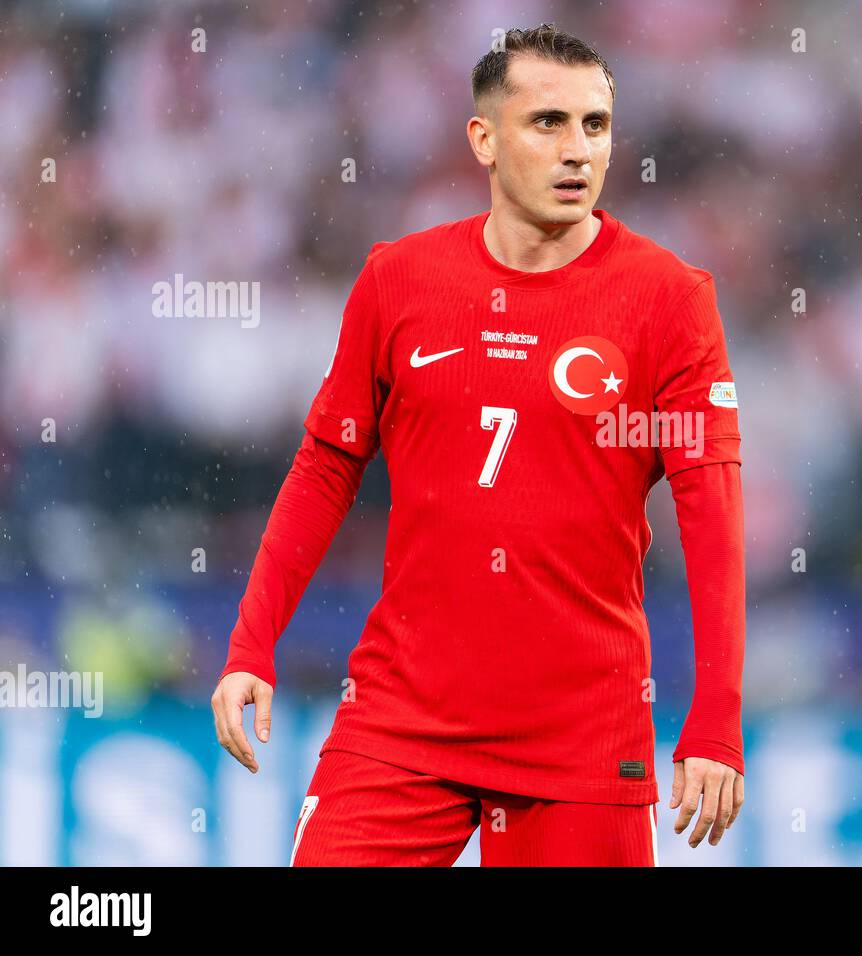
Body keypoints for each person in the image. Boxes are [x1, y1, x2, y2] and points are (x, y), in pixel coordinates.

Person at [210, 23, 747, 867]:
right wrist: (252, 643)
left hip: (582, 733)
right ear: (484, 139)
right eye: (548, 123)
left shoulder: (668, 300)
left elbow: (711, 514)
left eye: (596, 125)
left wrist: (716, 716)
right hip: (401, 719)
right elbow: (326, 466)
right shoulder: (399, 280)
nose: (578, 151)